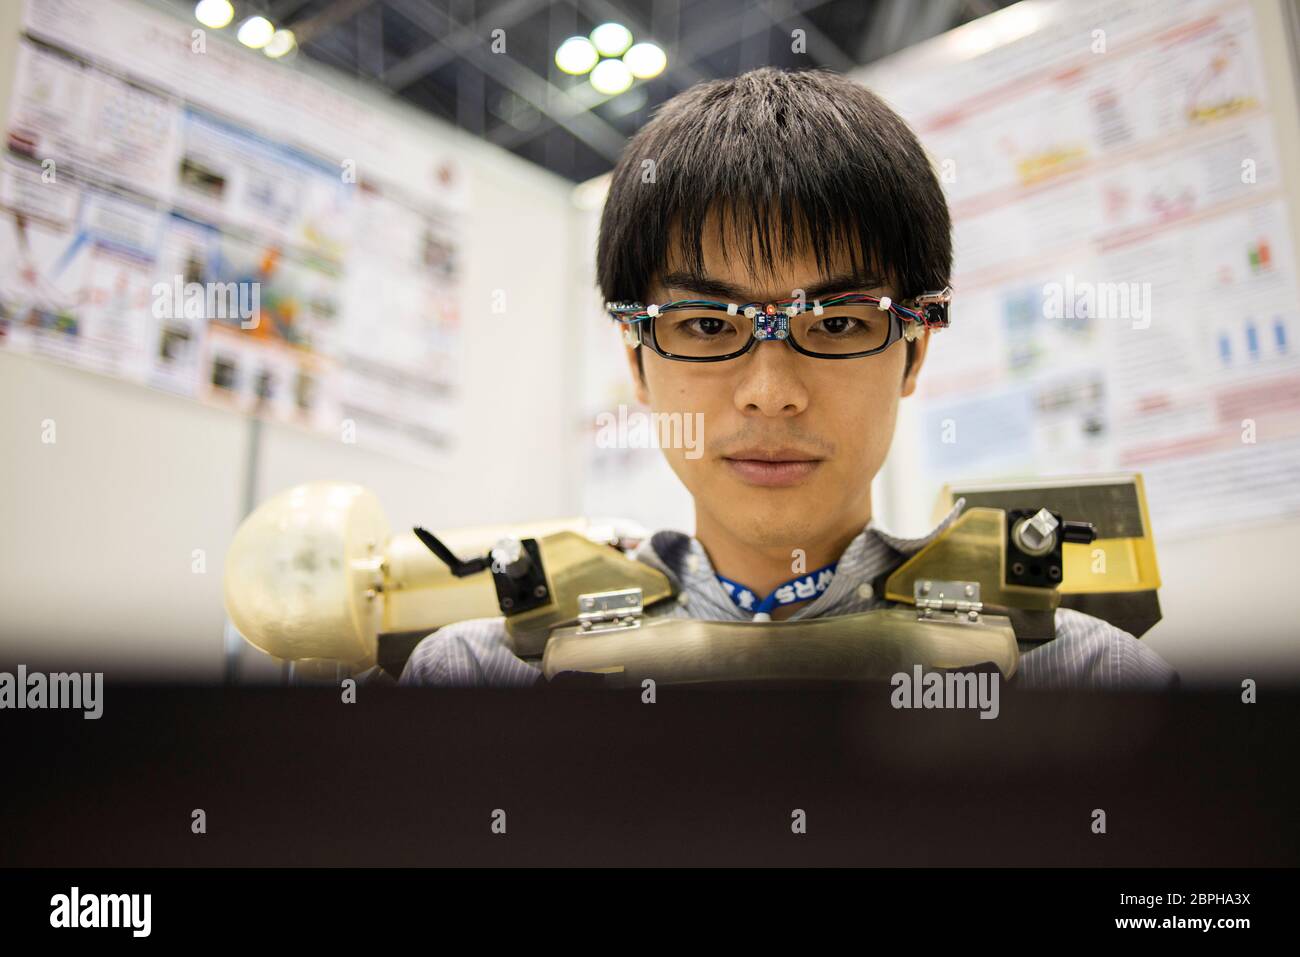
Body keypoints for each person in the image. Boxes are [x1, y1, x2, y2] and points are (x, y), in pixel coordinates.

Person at [401, 67, 1177, 690]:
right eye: (708, 323)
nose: (770, 389)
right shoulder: (486, 681)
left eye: (837, 322)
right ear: (636, 358)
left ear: (913, 351)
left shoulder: (1083, 680)